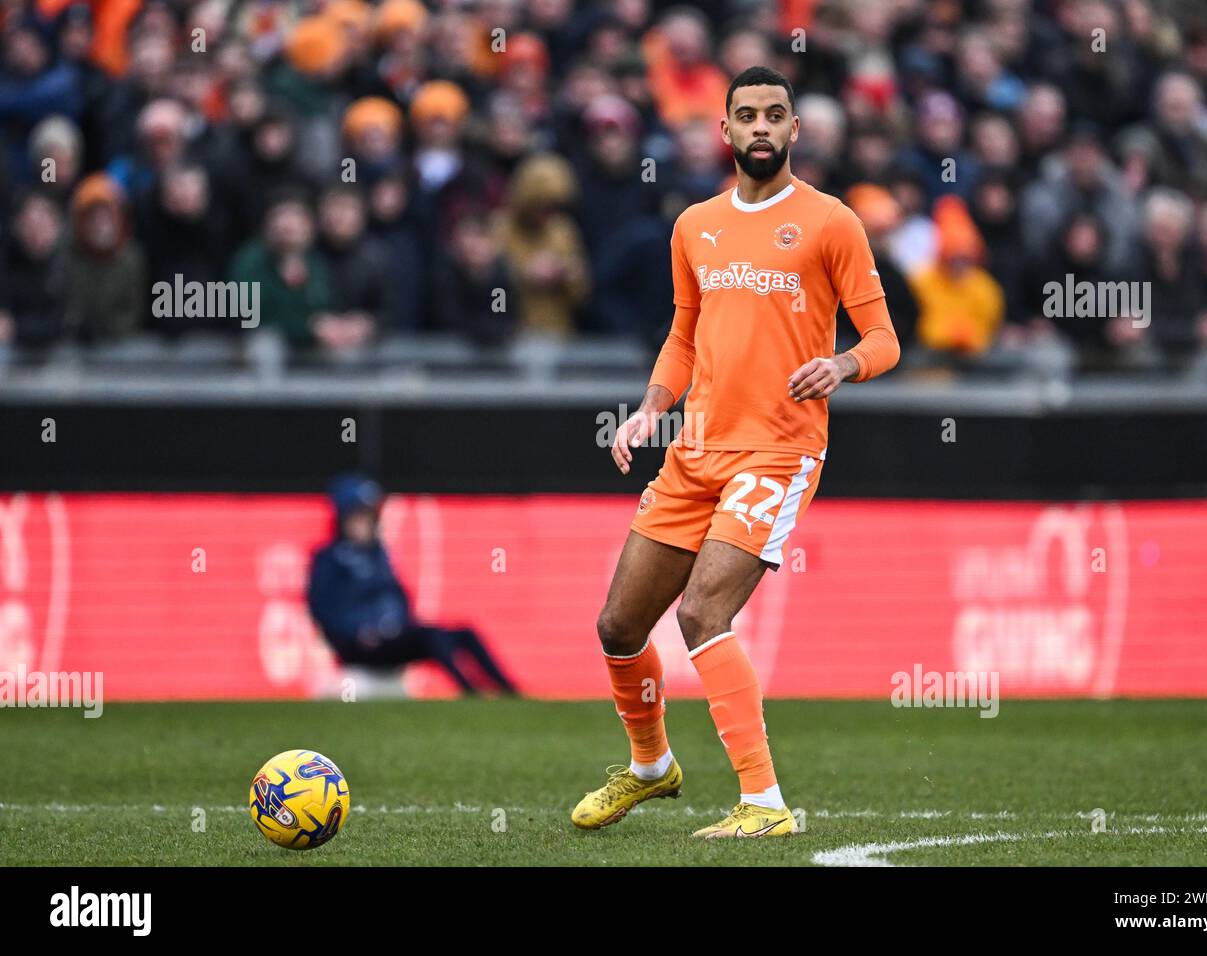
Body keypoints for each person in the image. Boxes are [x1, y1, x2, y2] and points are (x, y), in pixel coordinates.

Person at [571, 66, 899, 839]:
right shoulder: (694, 226)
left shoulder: (830, 222)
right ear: (724, 130)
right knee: (619, 626)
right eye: (746, 115)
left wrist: (843, 364)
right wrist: (648, 412)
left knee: (701, 611)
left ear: (794, 131)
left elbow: (884, 338)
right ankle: (651, 767)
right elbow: (683, 337)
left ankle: (764, 803)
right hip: (696, 448)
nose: (760, 127)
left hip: (779, 451)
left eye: (774, 115)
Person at [306, 474, 519, 696]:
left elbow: (399, 597)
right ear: (344, 519)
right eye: (359, 517)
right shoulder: (329, 559)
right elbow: (323, 609)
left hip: (392, 637)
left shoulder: (378, 556)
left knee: (463, 633)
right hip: (361, 645)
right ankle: (469, 691)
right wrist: (355, 633)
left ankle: (508, 690)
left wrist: (400, 623)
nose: (365, 525)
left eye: (369, 517)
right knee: (429, 636)